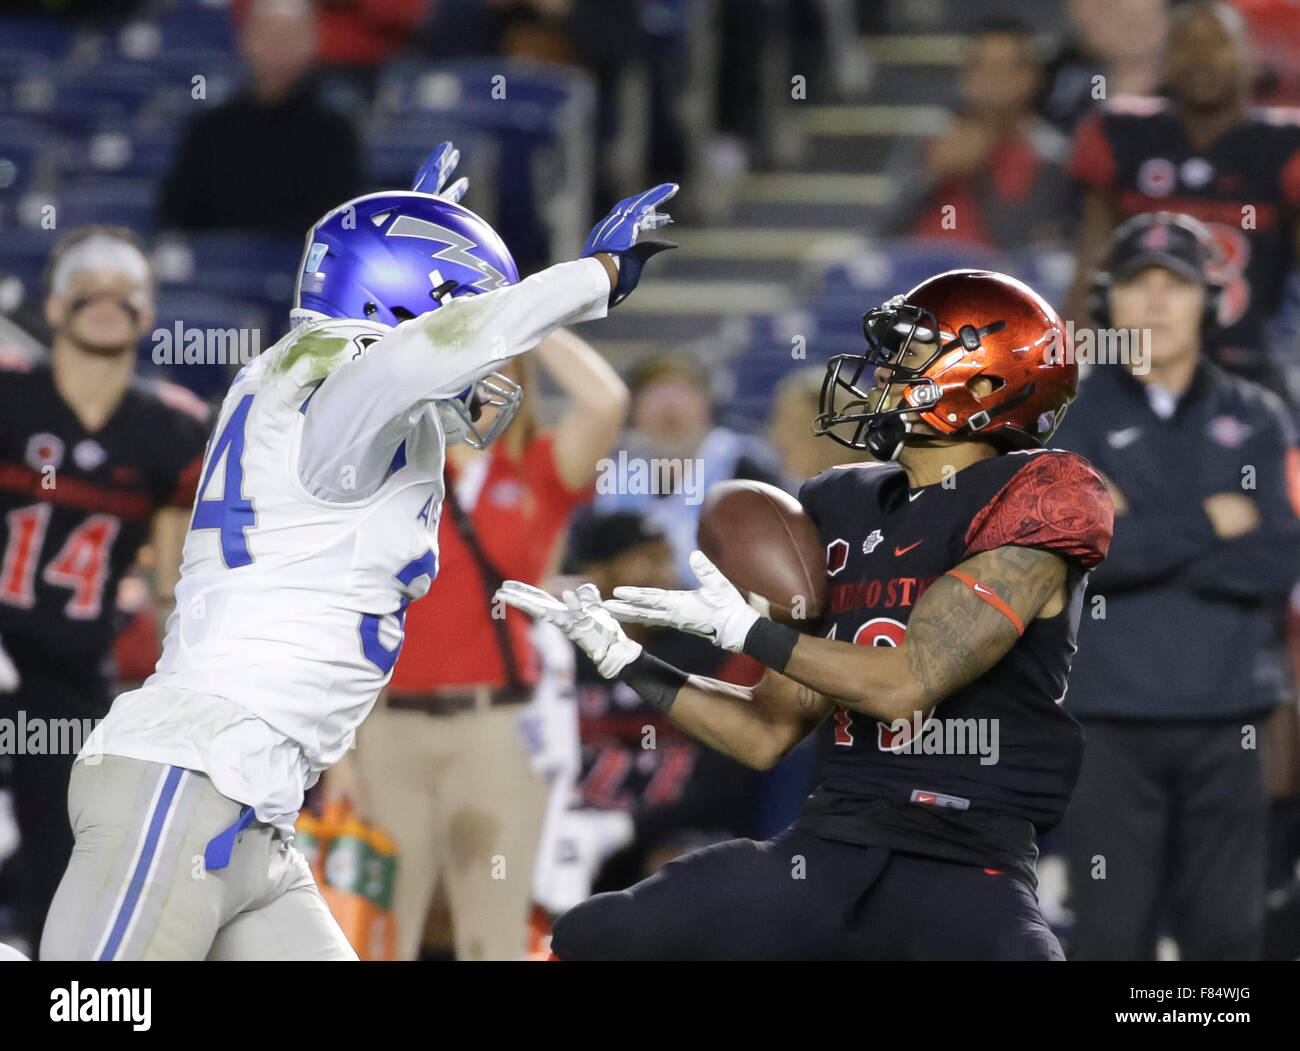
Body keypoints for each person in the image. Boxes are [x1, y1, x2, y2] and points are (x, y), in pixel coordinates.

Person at [38, 140, 678, 960]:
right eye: (455, 310)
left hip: (253, 806)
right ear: (402, 310)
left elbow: (406, 352)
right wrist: (597, 278)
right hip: (188, 772)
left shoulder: (310, 382)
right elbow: (425, 352)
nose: (489, 366)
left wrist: (413, 238)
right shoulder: (336, 392)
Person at [499, 268, 1115, 960]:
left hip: (969, 860)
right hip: (829, 847)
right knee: (595, 936)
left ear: (981, 385)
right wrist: (628, 658)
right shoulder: (840, 503)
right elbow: (765, 732)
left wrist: (746, 630)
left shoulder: (1042, 492)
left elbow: (906, 681)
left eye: (907, 357)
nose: (880, 375)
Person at [337, 326, 629, 962]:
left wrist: (534, 317)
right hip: (384, 725)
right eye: (460, 371)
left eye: (496, 369)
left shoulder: (540, 471)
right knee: (376, 936)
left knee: (490, 937)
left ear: (522, 381)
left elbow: (606, 401)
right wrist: (337, 755)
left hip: (495, 723)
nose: (477, 386)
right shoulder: (391, 474)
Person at [1052, 211, 1300, 960]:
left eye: (1175, 285)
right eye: (1138, 284)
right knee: (1110, 938)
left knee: (1228, 938)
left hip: (1232, 718)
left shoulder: (1256, 413)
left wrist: (1137, 529)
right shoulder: (1073, 417)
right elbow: (1083, 555)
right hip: (1106, 723)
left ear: (1210, 302)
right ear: (1108, 305)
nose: (1156, 302)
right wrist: (1209, 517)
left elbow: (1275, 560)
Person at [0, 227, 209, 957]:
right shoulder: (9, 394)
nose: (107, 298)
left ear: (148, 314)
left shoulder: (170, 427)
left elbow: (176, 581)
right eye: (87, 284)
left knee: (65, 862)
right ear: (54, 307)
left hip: (71, 675)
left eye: (126, 289)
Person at [1066, 0, 1300, 396]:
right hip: (1134, 364)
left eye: (1217, 43)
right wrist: (1077, 368)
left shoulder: (1284, 146)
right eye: (1186, 44)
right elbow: (1092, 268)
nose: (1202, 57)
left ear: (1251, 58)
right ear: (1163, 60)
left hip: (1245, 366)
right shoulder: (1121, 134)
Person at [158, 0, 362, 237]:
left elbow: (337, 223)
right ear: (246, 39)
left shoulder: (335, 132)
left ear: (312, 42)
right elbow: (177, 214)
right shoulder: (209, 127)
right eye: (269, 34)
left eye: (289, 36)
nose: (278, 48)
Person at [596, 353, 783, 584]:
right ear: (635, 408)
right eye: (655, 392)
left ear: (708, 403)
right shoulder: (617, 470)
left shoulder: (745, 464)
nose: (669, 404)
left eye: (682, 390)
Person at [888, 18, 1072, 250]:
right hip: (918, 271)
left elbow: (1028, 248)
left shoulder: (1051, 155)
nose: (993, 81)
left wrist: (979, 173)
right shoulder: (931, 136)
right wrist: (933, 176)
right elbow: (885, 228)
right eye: (981, 67)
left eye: (1006, 69)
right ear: (964, 75)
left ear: (1033, 77)